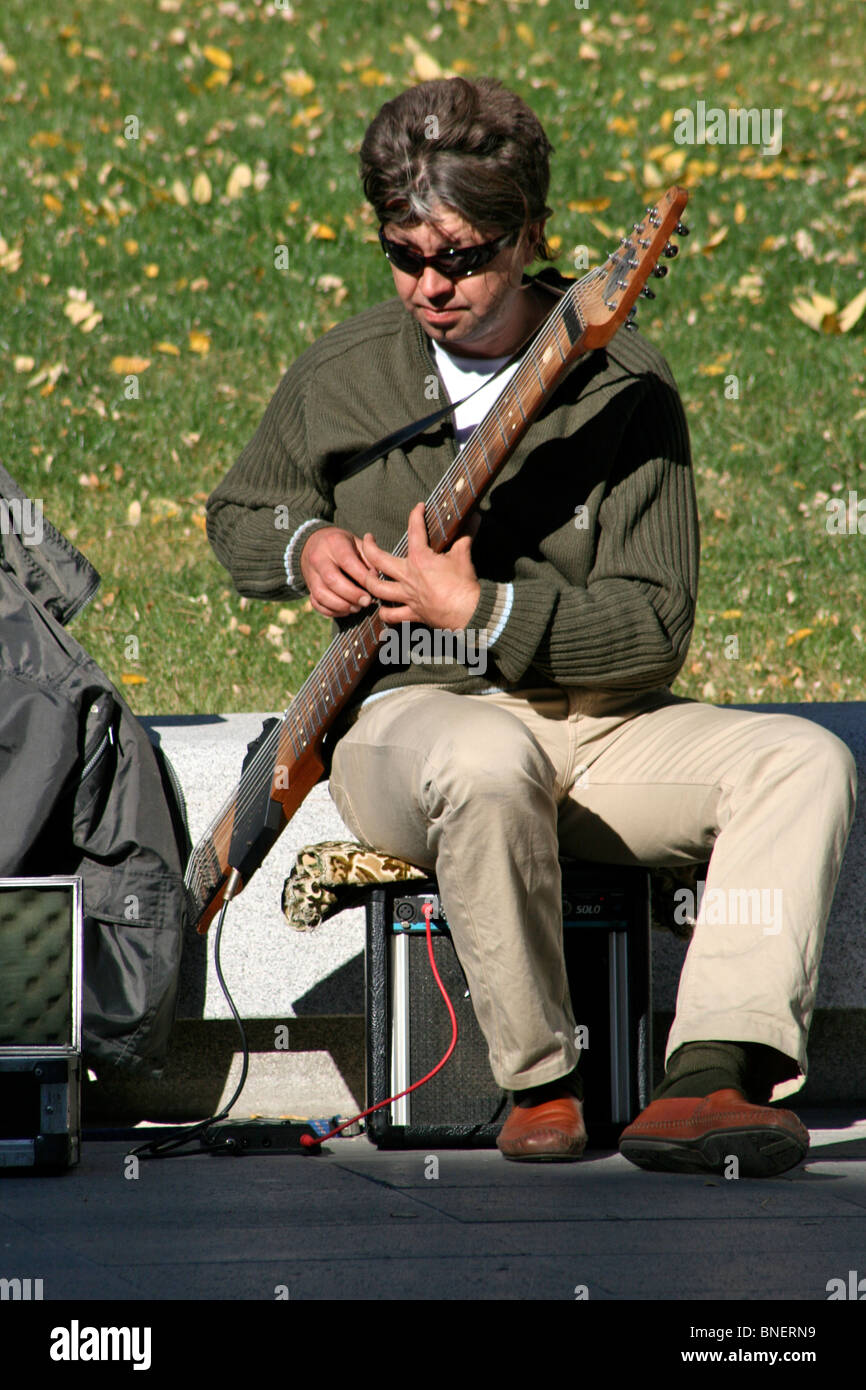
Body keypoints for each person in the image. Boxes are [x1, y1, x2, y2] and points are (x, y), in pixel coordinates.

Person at [206, 76, 856, 1176]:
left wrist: (490, 612)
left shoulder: (623, 387)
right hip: (408, 723)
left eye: (460, 255)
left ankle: (706, 1079)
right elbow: (240, 513)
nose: (429, 284)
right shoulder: (344, 373)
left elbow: (652, 631)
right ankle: (538, 1081)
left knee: (803, 760)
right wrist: (302, 548)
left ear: (529, 235)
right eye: (403, 253)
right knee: (483, 750)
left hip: (594, 723)